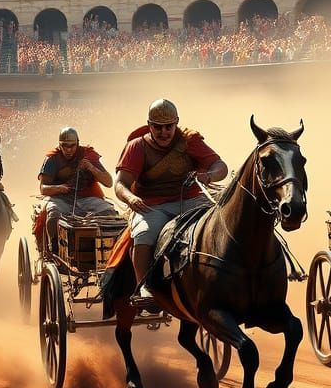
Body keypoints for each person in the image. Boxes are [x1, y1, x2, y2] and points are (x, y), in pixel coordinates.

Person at [114, 99, 228, 312]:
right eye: (158, 127)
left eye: (169, 126)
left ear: (176, 123)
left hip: (192, 200)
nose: (164, 132)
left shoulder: (189, 141)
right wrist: (131, 199)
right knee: (144, 235)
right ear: (149, 125)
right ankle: (145, 287)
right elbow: (120, 184)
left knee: (220, 225)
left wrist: (209, 176)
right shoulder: (137, 146)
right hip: (151, 206)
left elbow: (220, 166)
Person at [38, 127, 116, 253]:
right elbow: (43, 189)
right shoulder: (52, 159)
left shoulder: (88, 155)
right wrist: (59, 188)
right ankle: (54, 249)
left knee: (109, 212)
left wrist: (91, 167)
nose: (68, 150)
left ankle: (108, 250)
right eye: (65, 146)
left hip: (88, 198)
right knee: (53, 216)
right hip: (60, 199)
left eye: (72, 146)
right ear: (59, 145)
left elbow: (109, 182)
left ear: (78, 143)